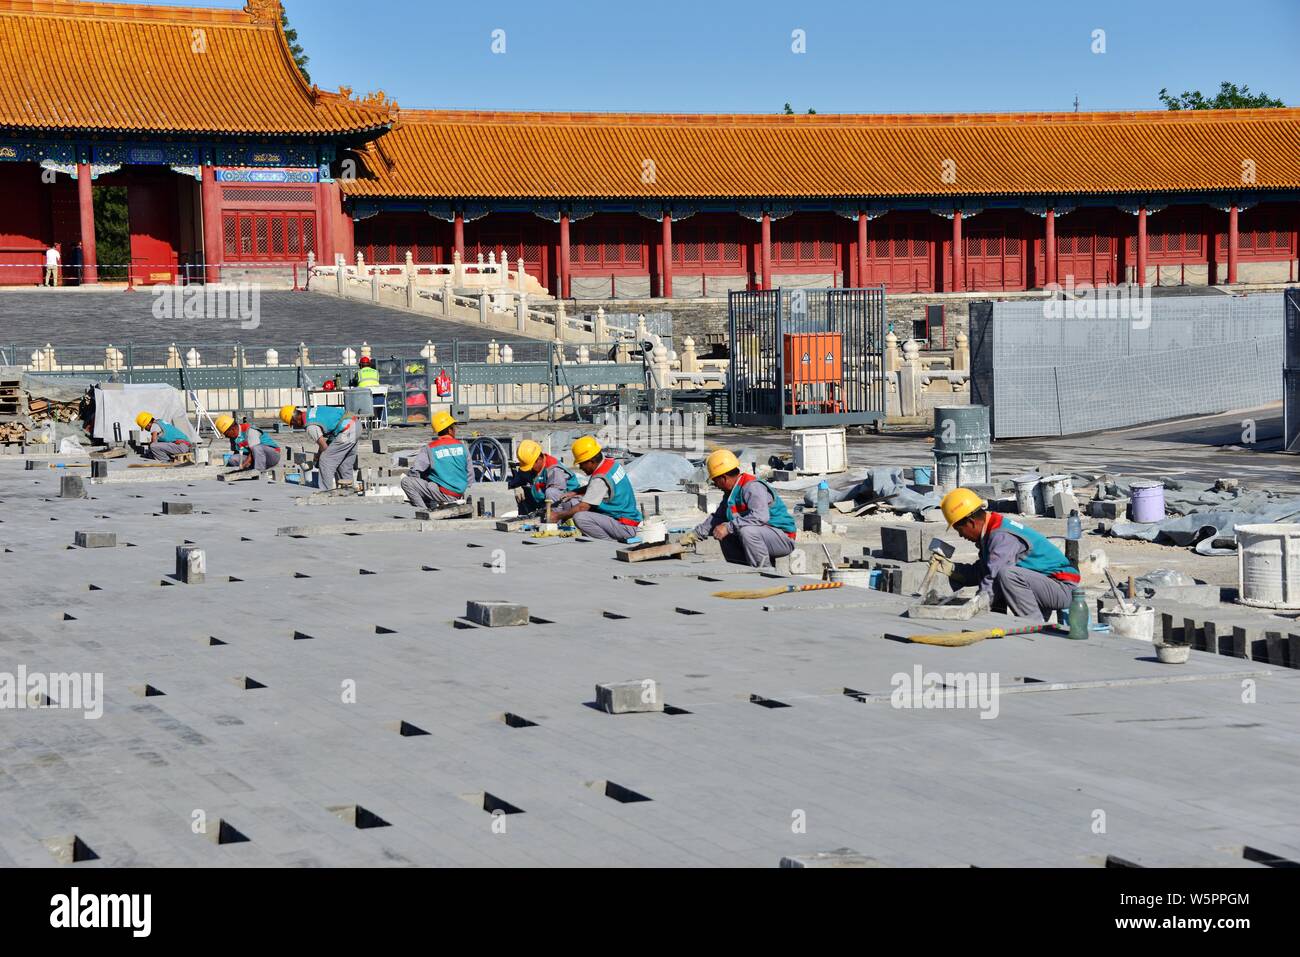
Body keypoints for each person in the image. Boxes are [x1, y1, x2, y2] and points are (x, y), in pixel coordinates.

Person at [938, 487, 1079, 623]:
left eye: (959, 529)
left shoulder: (1001, 536)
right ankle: (998, 624)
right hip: (1043, 584)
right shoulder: (990, 530)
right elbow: (986, 570)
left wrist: (971, 609)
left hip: (1062, 588)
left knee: (1005, 575)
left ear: (971, 522)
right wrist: (952, 570)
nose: (961, 535)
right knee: (999, 579)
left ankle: (1034, 628)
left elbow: (992, 580)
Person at [681, 448, 796, 567]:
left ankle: (764, 573)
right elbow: (718, 518)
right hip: (762, 535)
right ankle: (740, 571)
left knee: (745, 531)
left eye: (715, 481)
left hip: (782, 537)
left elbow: (760, 516)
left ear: (723, 478)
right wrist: (693, 535)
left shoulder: (752, 487)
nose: (716, 485)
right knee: (721, 531)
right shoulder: (731, 493)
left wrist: (728, 527)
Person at [550, 436, 642, 542]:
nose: (580, 468)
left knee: (581, 518)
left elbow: (582, 507)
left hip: (624, 526)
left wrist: (558, 515)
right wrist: (575, 492)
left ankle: (608, 543)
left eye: (581, 463)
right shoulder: (610, 464)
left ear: (591, 461)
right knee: (576, 503)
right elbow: (597, 487)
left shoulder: (599, 478)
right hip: (629, 518)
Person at [280, 404, 358, 491]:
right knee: (344, 463)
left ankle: (325, 492)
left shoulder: (310, 426)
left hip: (346, 430)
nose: (295, 426)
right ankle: (347, 491)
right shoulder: (311, 413)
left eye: (292, 424)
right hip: (355, 424)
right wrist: (318, 454)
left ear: (294, 419)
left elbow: (324, 447)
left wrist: (319, 457)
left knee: (326, 460)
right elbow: (326, 442)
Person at [400, 410, 469, 508]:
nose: (455, 430)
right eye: (454, 428)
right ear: (450, 430)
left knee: (406, 482)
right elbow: (470, 475)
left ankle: (423, 510)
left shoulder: (430, 448)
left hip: (445, 494)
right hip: (460, 494)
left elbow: (415, 472)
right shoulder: (462, 446)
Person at [510, 439, 580, 516]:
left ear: (539, 459)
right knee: (522, 493)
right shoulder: (531, 466)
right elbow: (520, 477)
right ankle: (525, 520)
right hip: (542, 501)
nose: (529, 469)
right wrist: (517, 486)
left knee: (551, 492)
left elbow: (555, 497)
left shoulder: (554, 469)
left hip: (568, 504)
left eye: (530, 465)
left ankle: (555, 522)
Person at [215, 414, 280, 473]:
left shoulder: (250, 430)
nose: (226, 436)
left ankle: (258, 473)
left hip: (271, 457)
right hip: (256, 459)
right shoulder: (233, 438)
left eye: (226, 434)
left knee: (257, 448)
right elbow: (237, 453)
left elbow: (253, 451)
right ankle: (250, 470)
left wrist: (243, 466)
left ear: (232, 429)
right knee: (232, 459)